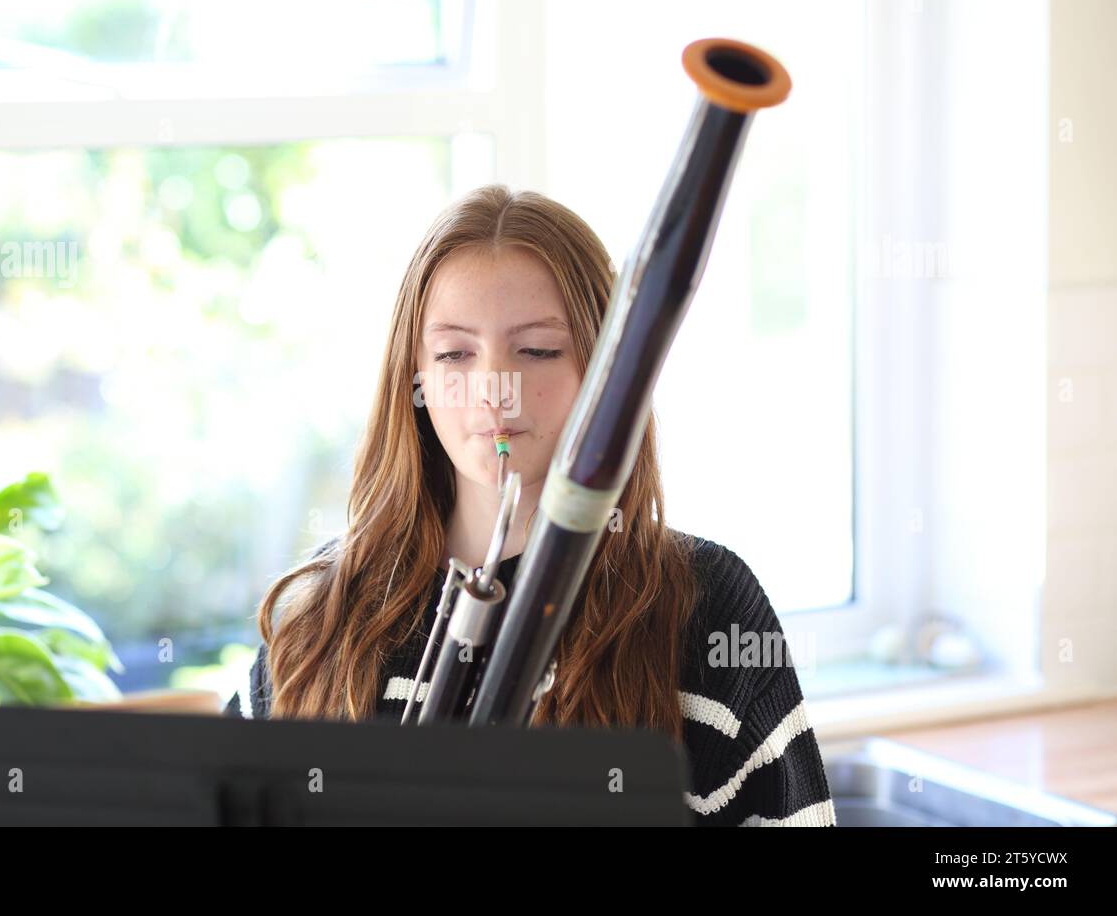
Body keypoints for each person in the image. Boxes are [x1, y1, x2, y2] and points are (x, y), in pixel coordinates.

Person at [225, 183, 837, 827]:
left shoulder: (706, 603)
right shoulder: (318, 613)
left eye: (538, 350)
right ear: (417, 379)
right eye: (455, 353)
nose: (495, 391)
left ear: (604, 371)